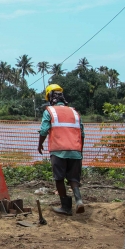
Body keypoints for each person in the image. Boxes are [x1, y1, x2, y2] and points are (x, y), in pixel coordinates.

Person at [37, 84, 86, 216]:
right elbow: (82, 134)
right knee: (73, 178)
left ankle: (66, 207)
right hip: (75, 150)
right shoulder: (75, 112)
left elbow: (43, 130)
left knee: (59, 178)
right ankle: (79, 200)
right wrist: (80, 150)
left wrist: (40, 144)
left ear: (49, 97)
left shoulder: (49, 111)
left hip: (58, 150)